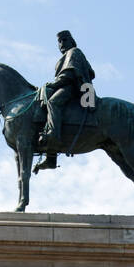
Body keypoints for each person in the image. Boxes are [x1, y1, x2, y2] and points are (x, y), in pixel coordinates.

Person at [35, 30, 95, 170]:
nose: (61, 44)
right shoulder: (66, 56)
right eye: (59, 42)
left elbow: (69, 74)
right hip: (67, 86)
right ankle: (51, 158)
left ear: (71, 41)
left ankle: (53, 136)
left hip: (74, 87)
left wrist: (54, 84)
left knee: (53, 103)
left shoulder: (74, 52)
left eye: (64, 40)